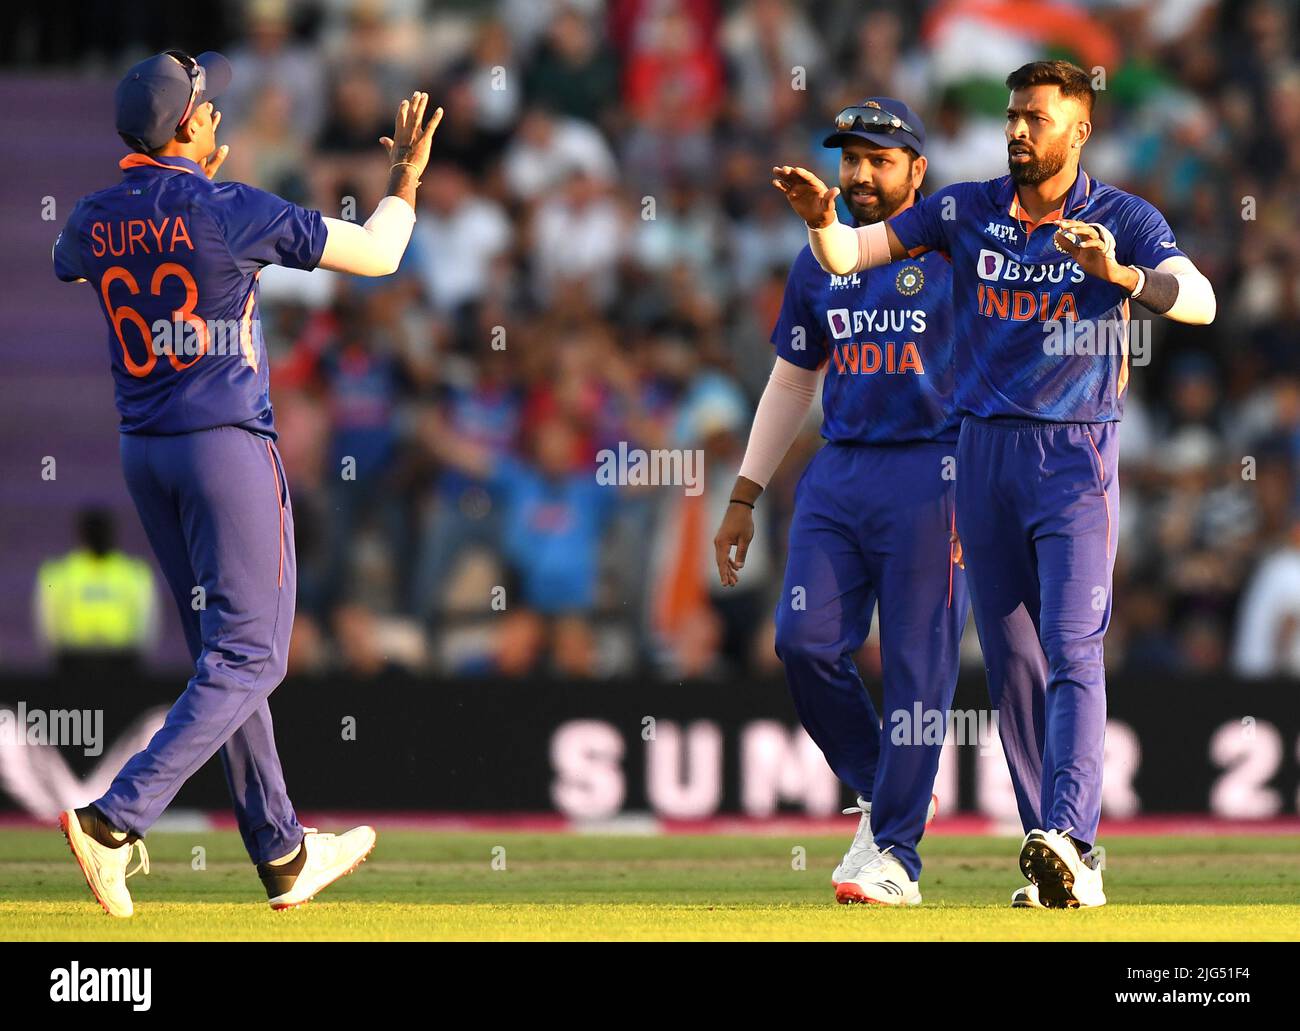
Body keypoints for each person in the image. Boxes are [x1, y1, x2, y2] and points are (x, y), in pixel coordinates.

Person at [774, 60, 1216, 909]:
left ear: (1079, 130)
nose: (1017, 130)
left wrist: (1120, 275)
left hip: (1073, 457)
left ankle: (1075, 843)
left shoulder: (1121, 216)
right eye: (1013, 116)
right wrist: (821, 219)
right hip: (980, 455)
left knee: (1072, 641)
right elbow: (847, 252)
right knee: (1014, 660)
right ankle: (1046, 850)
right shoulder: (963, 209)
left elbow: (1197, 300)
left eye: (1036, 118)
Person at [51, 49, 441, 916]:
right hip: (223, 444)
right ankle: (116, 819)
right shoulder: (227, 207)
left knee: (226, 656)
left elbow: (68, 257)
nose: (218, 114)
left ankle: (282, 852)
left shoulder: (94, 212)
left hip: (145, 450)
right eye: (208, 106)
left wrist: (169, 197)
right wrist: (404, 179)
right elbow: (379, 254)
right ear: (186, 126)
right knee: (253, 653)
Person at [714, 98, 963, 906]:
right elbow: (794, 379)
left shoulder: (956, 245)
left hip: (937, 470)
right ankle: (882, 786)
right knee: (803, 640)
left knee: (919, 670)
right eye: (850, 158)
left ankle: (896, 856)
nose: (859, 174)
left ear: (916, 172)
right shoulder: (817, 260)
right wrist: (745, 492)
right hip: (842, 468)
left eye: (879, 159)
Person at [34, 507, 157, 676]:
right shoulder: (59, 572)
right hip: (73, 662)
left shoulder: (134, 572)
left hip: (121, 663)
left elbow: (146, 622)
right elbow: (48, 622)